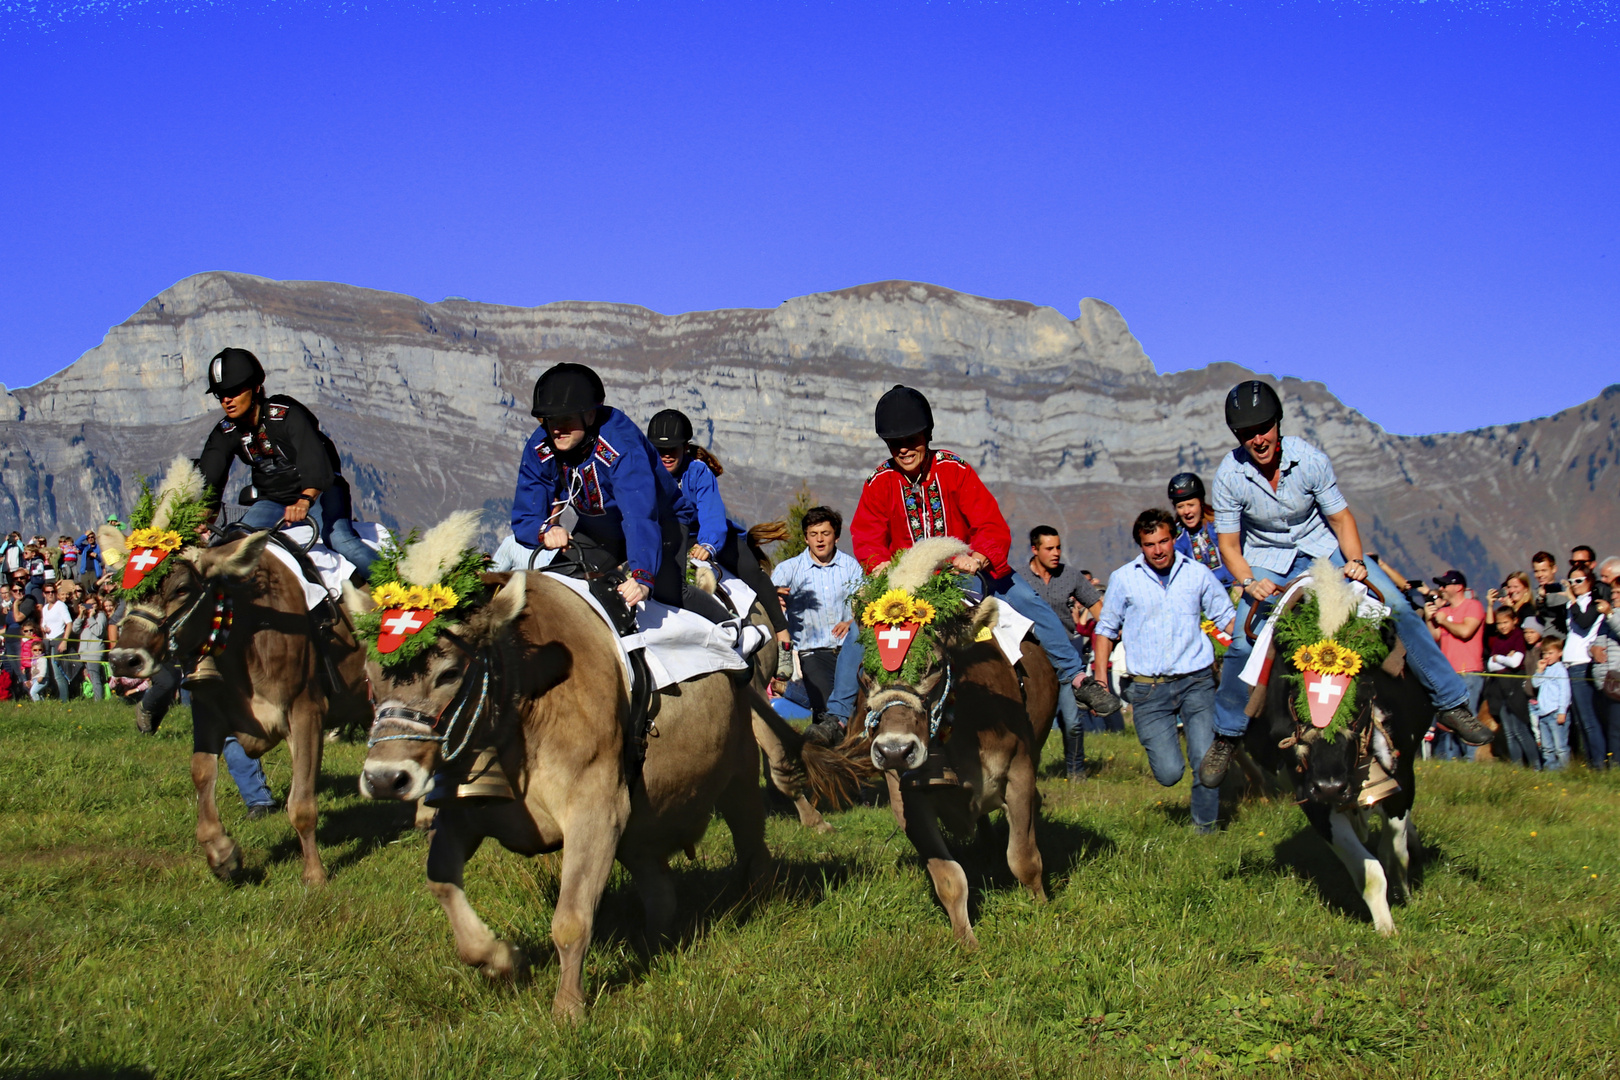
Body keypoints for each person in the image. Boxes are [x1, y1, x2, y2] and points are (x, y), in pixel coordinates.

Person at [1199, 380, 1490, 787]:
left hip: (1323, 549)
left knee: (1400, 606)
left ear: (1278, 423)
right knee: (1244, 642)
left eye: (1264, 427)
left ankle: (1451, 702)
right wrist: (1247, 582)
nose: (1258, 438)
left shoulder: (1310, 459)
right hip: (1265, 560)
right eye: (1247, 433)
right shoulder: (1229, 474)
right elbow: (1228, 545)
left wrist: (1355, 561)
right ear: (1237, 437)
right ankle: (1226, 736)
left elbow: (1340, 519)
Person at [811, 384, 1121, 746]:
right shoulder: (879, 483)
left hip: (968, 573)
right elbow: (866, 535)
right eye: (895, 443)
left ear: (927, 435)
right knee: (859, 631)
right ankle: (836, 714)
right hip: (906, 585)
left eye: (911, 439)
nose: (905, 449)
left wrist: (977, 556)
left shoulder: (956, 471)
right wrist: (877, 565)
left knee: (1031, 604)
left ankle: (1078, 678)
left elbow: (990, 524)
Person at [511, 362, 741, 631]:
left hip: (661, 522)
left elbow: (639, 515)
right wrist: (544, 530)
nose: (556, 429)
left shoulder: (621, 447)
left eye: (566, 420)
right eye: (550, 421)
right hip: (599, 531)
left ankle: (730, 627)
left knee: (668, 590)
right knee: (555, 587)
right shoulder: (541, 447)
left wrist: (643, 577)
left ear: (590, 415)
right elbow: (526, 510)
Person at [1094, 508, 1237, 833]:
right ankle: (1176, 774)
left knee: (1204, 761)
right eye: (1149, 544)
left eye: (1163, 541)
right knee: (1169, 772)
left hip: (1197, 680)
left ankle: (1206, 829)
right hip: (1148, 688)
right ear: (1140, 545)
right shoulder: (1124, 579)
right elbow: (1105, 629)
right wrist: (1100, 679)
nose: (1158, 550)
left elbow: (1225, 616)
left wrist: (1256, 640)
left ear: (1174, 539)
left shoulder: (1197, 574)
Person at [196, 347, 375, 578]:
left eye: (234, 391)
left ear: (256, 387)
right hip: (272, 500)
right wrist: (200, 519)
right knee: (236, 541)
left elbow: (315, 458)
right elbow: (211, 478)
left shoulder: (285, 413)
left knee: (342, 542)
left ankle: (402, 595)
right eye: (221, 395)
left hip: (319, 493)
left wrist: (304, 499)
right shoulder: (225, 431)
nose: (227, 400)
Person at [646, 408, 791, 648]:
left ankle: (783, 634)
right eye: (661, 450)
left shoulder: (699, 472)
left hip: (708, 536)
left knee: (750, 570)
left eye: (673, 449)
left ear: (685, 447)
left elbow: (712, 514)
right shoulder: (647, 473)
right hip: (669, 537)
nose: (667, 455)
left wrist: (708, 545)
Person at [1019, 525, 1106, 781]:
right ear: (1035, 550)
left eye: (1058, 547)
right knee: (1030, 721)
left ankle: (1076, 773)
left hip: (1066, 659)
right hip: (1032, 660)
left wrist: (1110, 631)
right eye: (1049, 548)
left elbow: (1098, 607)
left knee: (1073, 721)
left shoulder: (1071, 576)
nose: (1056, 553)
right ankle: (1027, 772)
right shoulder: (1019, 579)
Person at [770, 506, 864, 713]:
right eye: (813, 534)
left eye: (825, 533)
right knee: (825, 708)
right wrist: (774, 596)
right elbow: (769, 598)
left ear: (836, 537)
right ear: (806, 538)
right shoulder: (789, 569)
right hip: (812, 652)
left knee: (855, 711)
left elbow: (864, 603)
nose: (819, 540)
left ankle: (824, 744)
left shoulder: (851, 567)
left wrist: (851, 622)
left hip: (848, 650)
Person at [1425, 570, 1487, 761]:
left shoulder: (1473, 606)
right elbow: (1433, 638)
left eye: (1445, 585)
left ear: (1458, 587)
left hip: (1468, 671)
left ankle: (1471, 759)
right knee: (1446, 719)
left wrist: (1444, 622)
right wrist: (1430, 618)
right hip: (1447, 674)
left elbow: (1466, 631)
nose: (1441, 589)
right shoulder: (1443, 611)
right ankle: (1451, 758)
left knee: (1467, 718)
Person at [1560, 567, 1608, 768]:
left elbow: (1584, 621)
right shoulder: (1575, 603)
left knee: (1588, 719)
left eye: (1579, 580)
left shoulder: (1592, 603)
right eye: (1572, 581)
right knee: (1579, 720)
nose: (1575, 585)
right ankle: (1589, 762)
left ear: (1590, 581)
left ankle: (1599, 764)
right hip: (1570, 666)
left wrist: (1571, 599)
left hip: (1582, 665)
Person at [1485, 606, 1537, 768]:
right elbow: (1490, 666)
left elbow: (1516, 663)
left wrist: (1498, 659)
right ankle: (1517, 767)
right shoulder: (1498, 639)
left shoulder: (1518, 637)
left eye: (1506, 622)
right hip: (1500, 689)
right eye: (1499, 623)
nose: (1502, 626)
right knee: (1509, 732)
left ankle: (1535, 765)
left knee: (1520, 729)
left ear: (1515, 621)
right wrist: (1503, 659)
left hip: (1515, 688)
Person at [1167, 472, 1235, 588]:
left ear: (1201, 502)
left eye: (1191, 505)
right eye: (1180, 506)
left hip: (1235, 587)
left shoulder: (1220, 524)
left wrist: (1238, 584)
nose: (1186, 511)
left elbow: (1237, 550)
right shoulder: (1177, 538)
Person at [1532, 636, 1571, 770]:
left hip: (1555, 713)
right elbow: (1535, 684)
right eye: (1544, 653)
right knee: (1547, 747)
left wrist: (1562, 711)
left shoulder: (1560, 669)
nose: (1547, 656)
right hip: (1543, 713)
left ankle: (1565, 770)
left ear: (1560, 653)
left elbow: (1565, 692)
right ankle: (1550, 771)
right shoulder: (1545, 668)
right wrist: (1540, 671)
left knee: (1560, 747)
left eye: (1551, 653)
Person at [39, 583, 72, 702]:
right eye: (48, 592)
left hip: (58, 640)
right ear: (44, 594)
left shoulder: (60, 605)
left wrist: (64, 641)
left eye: (52, 591)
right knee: (50, 673)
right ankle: (53, 695)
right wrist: (44, 628)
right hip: (48, 641)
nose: (51, 594)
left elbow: (69, 623)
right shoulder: (45, 608)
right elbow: (43, 623)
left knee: (58, 673)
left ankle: (64, 700)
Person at [74, 596, 109, 701]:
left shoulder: (100, 615)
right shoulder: (85, 617)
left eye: (93, 604)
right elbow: (75, 630)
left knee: (95, 678)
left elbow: (99, 631)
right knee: (89, 678)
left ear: (98, 604)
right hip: (84, 653)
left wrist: (91, 617)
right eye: (88, 604)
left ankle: (98, 701)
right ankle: (91, 697)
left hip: (94, 652)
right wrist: (81, 615)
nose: (91, 606)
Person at [1531, 552, 1567, 635]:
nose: (1540, 575)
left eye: (1544, 570)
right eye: (1536, 571)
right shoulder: (1532, 594)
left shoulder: (1563, 591)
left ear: (1554, 569)